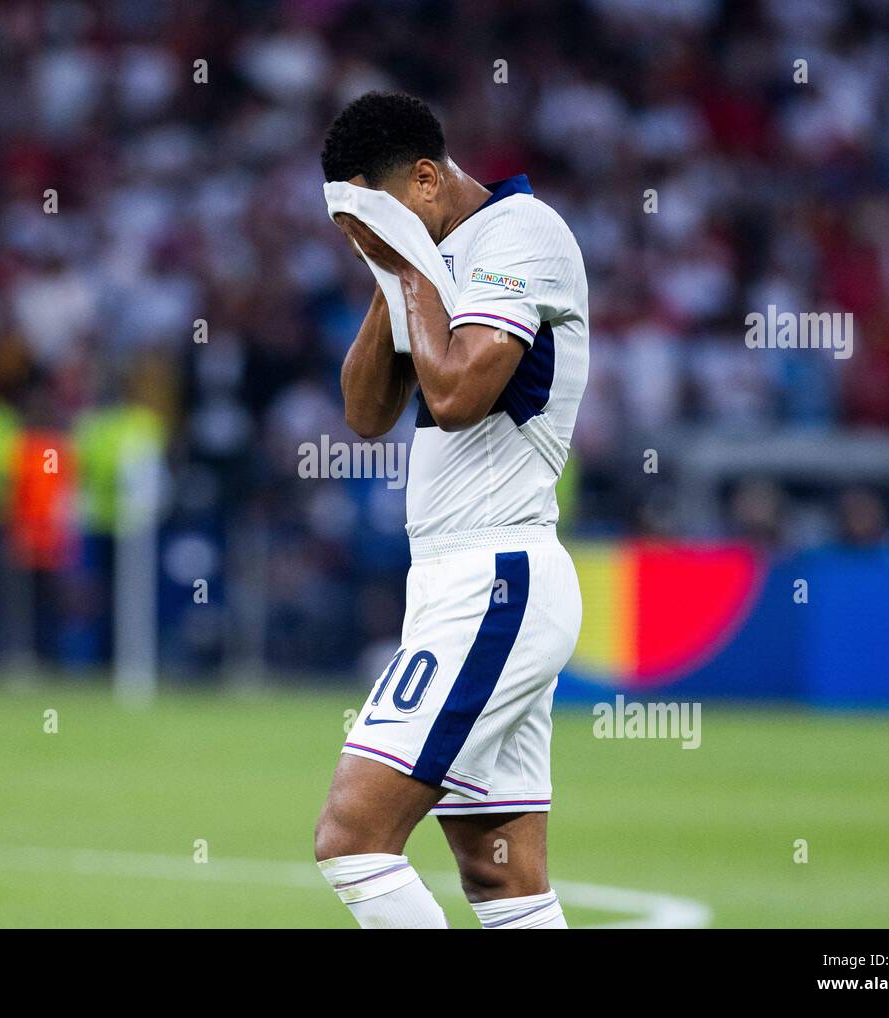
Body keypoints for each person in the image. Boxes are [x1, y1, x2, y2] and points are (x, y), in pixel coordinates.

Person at [314, 92, 589, 929]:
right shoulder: (434, 263)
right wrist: (389, 271)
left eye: (375, 221)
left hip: (496, 577)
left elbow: (462, 391)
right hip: (456, 584)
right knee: (503, 879)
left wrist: (408, 269)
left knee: (352, 837)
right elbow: (365, 414)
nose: (364, 244)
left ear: (427, 178)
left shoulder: (520, 234)